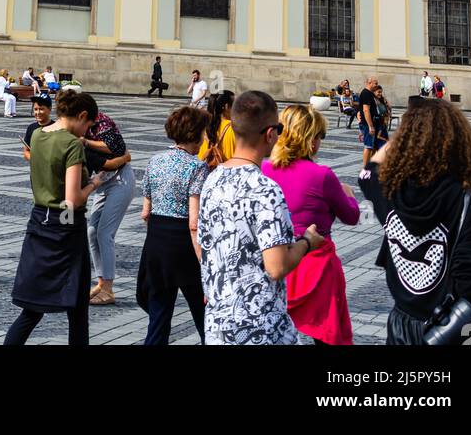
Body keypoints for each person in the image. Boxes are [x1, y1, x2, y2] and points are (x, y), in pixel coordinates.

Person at [359, 97, 471, 345]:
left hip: (403, 319)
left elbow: (367, 171)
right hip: (452, 323)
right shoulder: (468, 189)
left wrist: (405, 136)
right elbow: (469, 270)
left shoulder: (389, 186)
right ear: (456, 138)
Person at [198, 89, 324, 345]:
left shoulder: (211, 180)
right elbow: (276, 266)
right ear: (270, 134)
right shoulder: (264, 189)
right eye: (278, 127)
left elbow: (203, 246)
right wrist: (308, 242)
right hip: (261, 328)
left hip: (218, 327)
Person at [4, 88, 104, 345]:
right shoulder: (71, 144)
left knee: (33, 306)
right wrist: (93, 183)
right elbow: (72, 199)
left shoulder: (37, 135)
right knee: (78, 307)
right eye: (89, 126)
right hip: (67, 223)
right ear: (81, 115)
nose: (87, 133)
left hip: (39, 219)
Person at [262, 103, 360, 345]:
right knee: (326, 336)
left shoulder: (264, 168)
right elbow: (351, 216)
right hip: (316, 266)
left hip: (275, 261)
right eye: (320, 135)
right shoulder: (323, 175)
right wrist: (348, 194)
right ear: (311, 139)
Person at [137, 106, 208, 344]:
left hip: (157, 243)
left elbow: (145, 212)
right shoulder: (197, 167)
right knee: (203, 312)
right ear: (196, 134)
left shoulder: (155, 161)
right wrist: (203, 262)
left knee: (159, 316)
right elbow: (194, 222)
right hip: (184, 246)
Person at [84, 108, 135, 305]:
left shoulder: (100, 121)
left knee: (105, 233)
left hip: (120, 180)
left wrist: (86, 142)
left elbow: (118, 149)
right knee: (91, 232)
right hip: (103, 181)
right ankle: (101, 283)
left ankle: (108, 289)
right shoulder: (72, 128)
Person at [199, 90, 235, 164]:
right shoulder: (235, 128)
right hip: (227, 172)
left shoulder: (202, 126)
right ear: (226, 106)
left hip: (205, 172)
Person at [357, 75, 380, 168]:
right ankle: (365, 167)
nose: (377, 85)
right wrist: (370, 126)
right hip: (367, 124)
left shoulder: (370, 93)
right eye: (376, 83)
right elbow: (366, 110)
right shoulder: (366, 93)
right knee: (368, 146)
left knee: (372, 146)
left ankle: (370, 166)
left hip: (371, 123)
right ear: (369, 83)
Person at [23, 95, 52, 160]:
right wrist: (34, 160)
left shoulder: (57, 127)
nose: (38, 113)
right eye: (35, 109)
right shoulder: (31, 128)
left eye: (41, 109)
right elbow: (26, 151)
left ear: (49, 109)